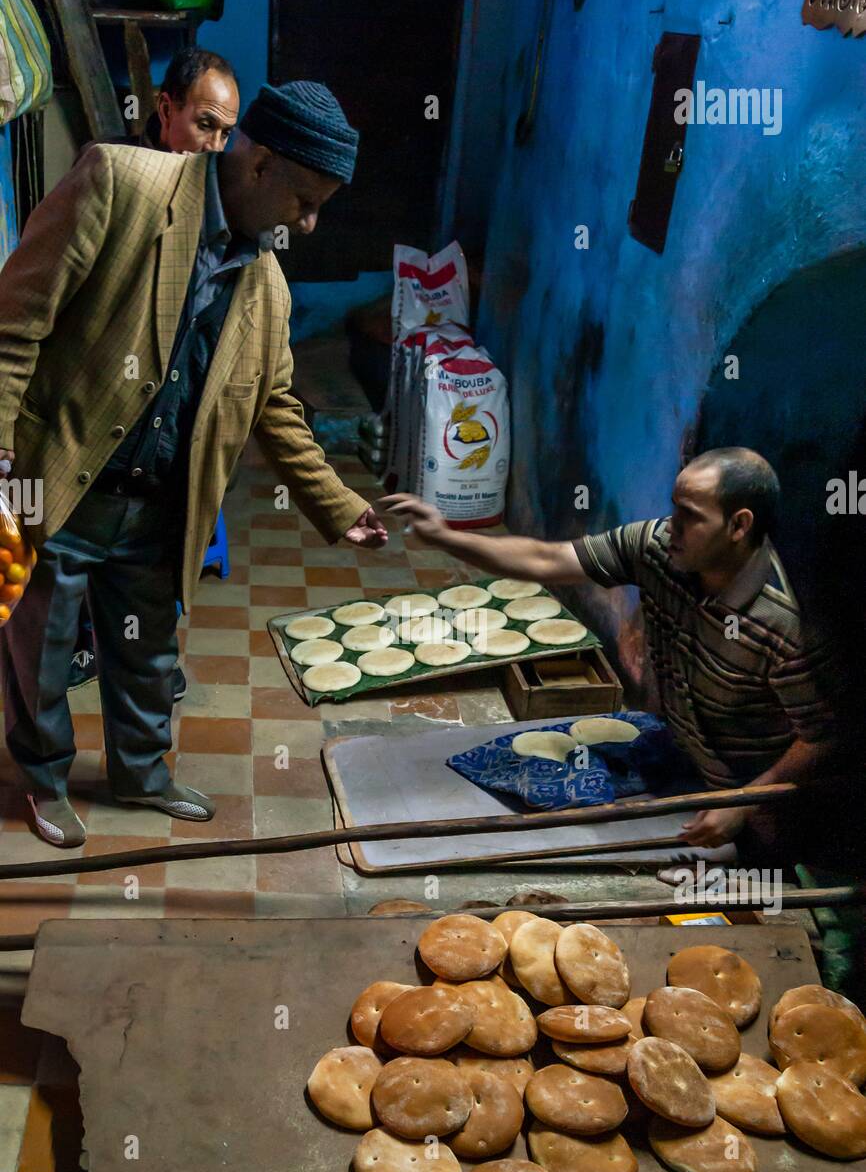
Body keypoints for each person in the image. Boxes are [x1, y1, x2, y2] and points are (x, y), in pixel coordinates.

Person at [0, 81, 386, 848]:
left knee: (144, 650)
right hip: (64, 473)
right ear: (261, 163)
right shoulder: (122, 184)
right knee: (41, 652)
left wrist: (340, 505)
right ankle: (43, 782)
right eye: (304, 200)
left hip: (161, 501)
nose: (306, 225)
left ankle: (139, 775)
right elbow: (15, 324)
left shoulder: (265, 284)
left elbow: (274, 403)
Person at [381, 448, 839, 867]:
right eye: (673, 507)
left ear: (739, 526)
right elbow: (546, 559)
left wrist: (743, 801)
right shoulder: (658, 548)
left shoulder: (785, 625)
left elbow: (822, 738)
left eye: (690, 516)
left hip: (758, 799)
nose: (671, 525)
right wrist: (446, 536)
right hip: (685, 761)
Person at [70, 46, 241, 697]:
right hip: (103, 404)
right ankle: (82, 650)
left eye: (226, 133)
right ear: (165, 109)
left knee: (157, 540)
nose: (214, 146)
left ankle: (144, 657)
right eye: (204, 125)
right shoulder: (114, 177)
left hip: (168, 409)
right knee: (79, 541)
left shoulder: (216, 205)